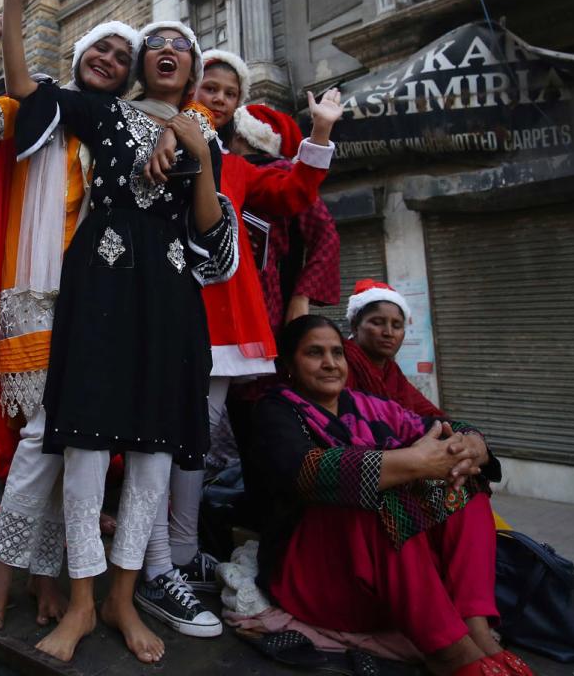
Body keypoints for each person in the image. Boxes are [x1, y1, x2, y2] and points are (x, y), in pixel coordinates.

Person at [3, 0, 240, 663]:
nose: (169, 49)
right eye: (156, 42)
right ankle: (81, 602)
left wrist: (196, 144)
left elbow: (208, 241)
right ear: (143, 61)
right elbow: (22, 90)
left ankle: (123, 598)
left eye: (183, 45)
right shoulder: (101, 109)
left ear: (193, 71)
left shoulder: (206, 138)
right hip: (101, 283)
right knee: (84, 441)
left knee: (154, 453)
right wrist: (16, 6)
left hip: (169, 298)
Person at [0, 16, 137, 628]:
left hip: (95, 296)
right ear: (78, 54)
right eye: (102, 45)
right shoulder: (30, 105)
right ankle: (8, 564)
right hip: (31, 286)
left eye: (123, 55)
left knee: (67, 436)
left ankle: (40, 569)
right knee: (41, 428)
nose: (110, 58)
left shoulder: (118, 131)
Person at [149, 51, 340, 620]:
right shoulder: (149, 137)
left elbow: (293, 196)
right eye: (212, 86)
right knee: (155, 439)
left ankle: (180, 553)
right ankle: (153, 563)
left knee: (196, 442)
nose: (221, 97)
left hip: (219, 322)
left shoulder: (236, 168)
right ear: (191, 86)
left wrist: (321, 133)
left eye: (231, 93)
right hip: (157, 309)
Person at [246, 315, 532, 676]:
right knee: (367, 490)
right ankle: (449, 652)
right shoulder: (275, 412)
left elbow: (438, 426)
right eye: (314, 353)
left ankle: (476, 626)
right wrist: (410, 462)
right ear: (288, 364)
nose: (331, 363)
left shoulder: (369, 406)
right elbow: (304, 471)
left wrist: (473, 444)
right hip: (319, 581)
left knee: (466, 483)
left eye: (337, 352)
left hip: (393, 591)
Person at [229, 103, 340, 336]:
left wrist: (301, 296)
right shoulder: (221, 171)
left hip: (267, 298)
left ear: (240, 134)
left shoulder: (284, 176)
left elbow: (326, 237)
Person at [344, 279, 444, 418]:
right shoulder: (339, 367)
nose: (388, 333)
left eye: (397, 326)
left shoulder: (392, 374)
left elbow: (431, 414)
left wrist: (466, 431)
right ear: (355, 326)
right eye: (377, 323)